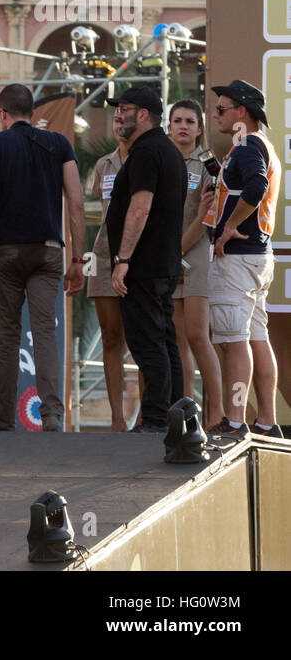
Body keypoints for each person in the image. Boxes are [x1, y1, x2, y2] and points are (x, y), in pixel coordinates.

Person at [0, 84, 86, 432]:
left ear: (3, 113)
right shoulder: (59, 144)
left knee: (7, 335)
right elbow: (77, 203)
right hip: (49, 249)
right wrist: (78, 260)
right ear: (33, 113)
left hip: (6, 250)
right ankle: (52, 414)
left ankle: (4, 419)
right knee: (45, 333)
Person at [104, 85, 187, 434]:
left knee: (148, 343)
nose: (117, 115)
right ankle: (178, 416)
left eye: (123, 108)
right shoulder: (165, 151)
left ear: (143, 114)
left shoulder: (146, 152)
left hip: (145, 267)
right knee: (165, 342)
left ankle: (155, 420)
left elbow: (141, 206)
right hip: (161, 265)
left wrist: (123, 258)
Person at [204, 80, 282, 439]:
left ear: (242, 113)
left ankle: (235, 421)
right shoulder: (259, 145)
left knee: (234, 341)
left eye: (221, 108)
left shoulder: (248, 144)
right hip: (258, 256)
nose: (215, 114)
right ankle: (266, 421)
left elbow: (255, 187)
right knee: (255, 337)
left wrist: (228, 227)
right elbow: (247, 186)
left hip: (238, 258)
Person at [166, 100, 223, 430]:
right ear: (169, 126)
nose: (183, 126)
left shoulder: (207, 164)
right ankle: (187, 414)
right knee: (177, 340)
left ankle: (216, 415)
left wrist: (177, 252)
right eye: (177, 120)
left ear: (200, 128)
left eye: (190, 121)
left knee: (199, 336)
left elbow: (208, 216)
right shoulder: (161, 159)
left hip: (195, 253)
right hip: (168, 255)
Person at [87, 134, 133, 431]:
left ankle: (145, 416)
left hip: (140, 254)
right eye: (115, 117)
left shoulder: (149, 157)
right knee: (110, 337)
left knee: (142, 339)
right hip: (103, 253)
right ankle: (117, 418)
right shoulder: (104, 164)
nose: (119, 121)